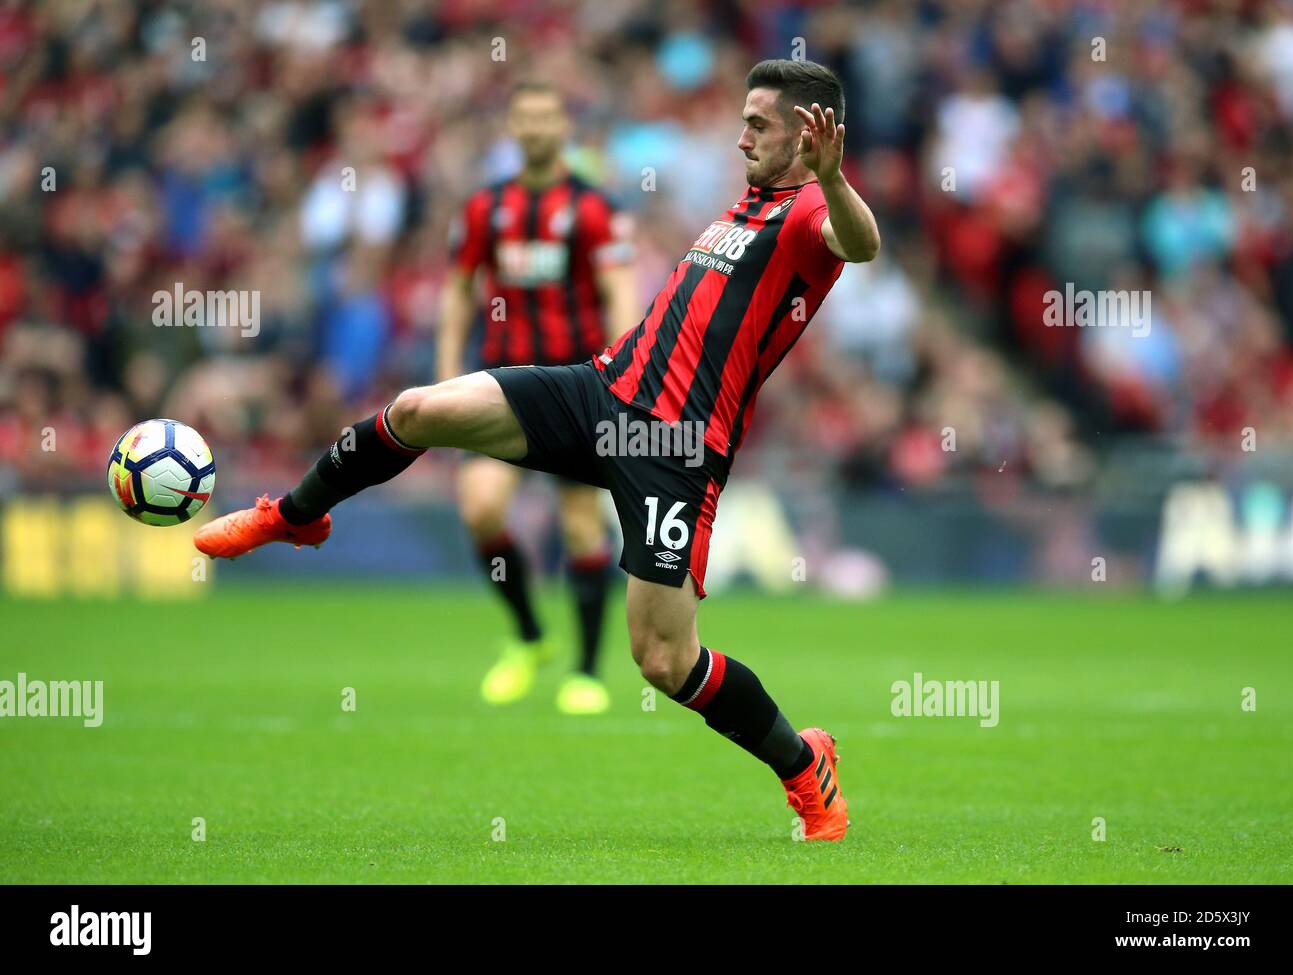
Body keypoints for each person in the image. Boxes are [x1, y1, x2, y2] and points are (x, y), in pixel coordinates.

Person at [195, 59, 881, 841]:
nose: (740, 135)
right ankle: (294, 514)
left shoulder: (808, 215)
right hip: (602, 391)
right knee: (420, 408)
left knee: (663, 660)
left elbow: (858, 244)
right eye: (744, 119)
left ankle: (804, 765)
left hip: (673, 446)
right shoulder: (747, 206)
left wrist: (835, 179)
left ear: (810, 131)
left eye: (758, 124)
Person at [441, 82, 639, 714]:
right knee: (480, 510)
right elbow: (457, 292)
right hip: (499, 379)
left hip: (577, 383)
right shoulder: (484, 208)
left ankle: (586, 673)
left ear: (564, 126)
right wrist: (445, 375)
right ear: (510, 125)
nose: (534, 129)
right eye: (523, 118)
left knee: (581, 526)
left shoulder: (592, 207)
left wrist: (623, 379)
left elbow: (618, 295)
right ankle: (528, 636)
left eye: (545, 118)